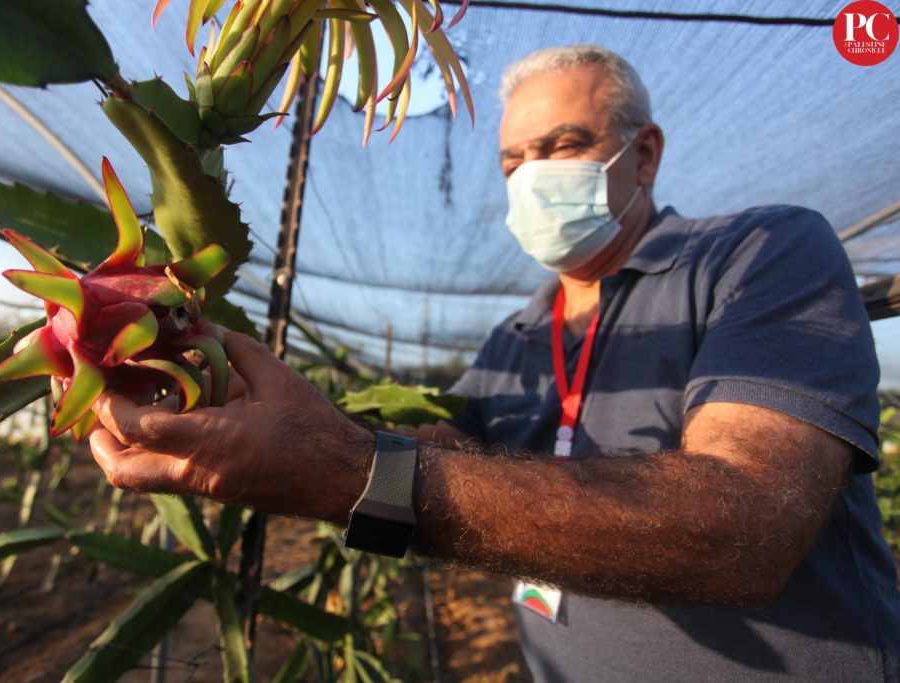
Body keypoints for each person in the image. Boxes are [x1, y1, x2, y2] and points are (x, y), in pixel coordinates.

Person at [88, 46, 900, 680]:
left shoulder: (762, 253)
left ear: (644, 156)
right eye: (514, 159)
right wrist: (224, 391)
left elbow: (748, 523)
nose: (531, 175)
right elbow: (438, 440)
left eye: (565, 145)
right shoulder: (516, 334)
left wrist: (342, 467)